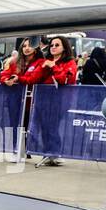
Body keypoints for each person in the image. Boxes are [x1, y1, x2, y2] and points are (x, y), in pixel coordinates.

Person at [27, 36, 78, 166]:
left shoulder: (70, 62)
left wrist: (54, 66)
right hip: (43, 99)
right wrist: (43, 67)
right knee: (44, 127)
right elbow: (34, 78)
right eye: (52, 45)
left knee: (53, 127)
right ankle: (47, 152)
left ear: (64, 47)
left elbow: (64, 79)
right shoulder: (46, 61)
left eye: (57, 45)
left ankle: (54, 152)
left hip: (59, 100)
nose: (53, 47)